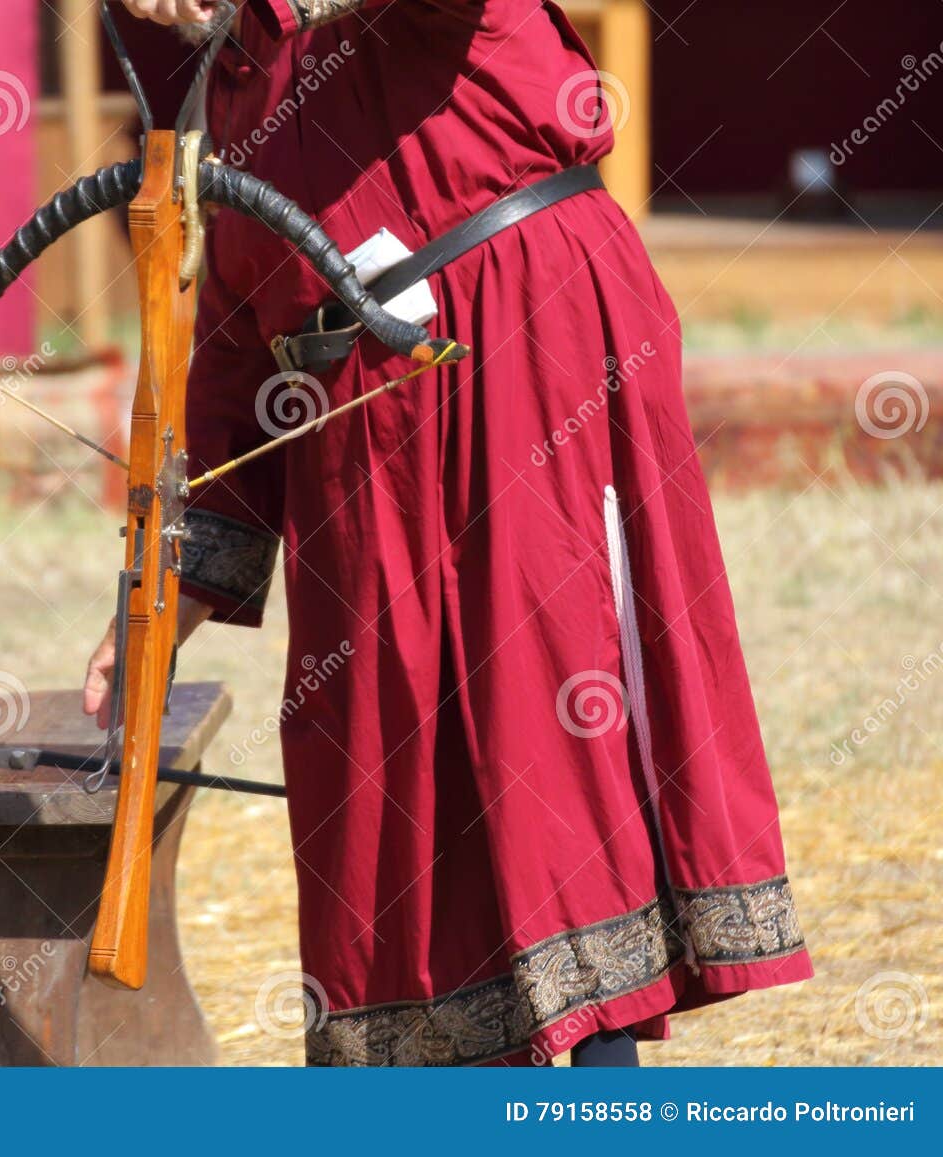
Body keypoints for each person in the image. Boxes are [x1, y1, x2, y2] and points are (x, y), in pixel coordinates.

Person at [83, 0, 811, 1067]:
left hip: (521, 357)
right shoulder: (226, 94)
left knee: (554, 744)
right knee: (388, 800)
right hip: (359, 454)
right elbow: (239, 361)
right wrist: (162, 598)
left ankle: (603, 1095)